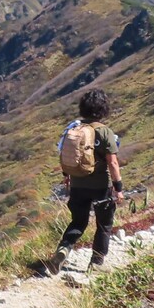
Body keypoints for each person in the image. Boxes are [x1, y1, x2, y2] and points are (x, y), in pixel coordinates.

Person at [48, 88, 123, 275]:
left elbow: (65, 154)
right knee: (104, 225)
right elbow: (112, 162)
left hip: (77, 184)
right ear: (104, 109)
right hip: (100, 187)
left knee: (78, 222)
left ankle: (63, 250)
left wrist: (67, 176)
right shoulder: (105, 132)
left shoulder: (73, 129)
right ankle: (96, 263)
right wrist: (118, 188)